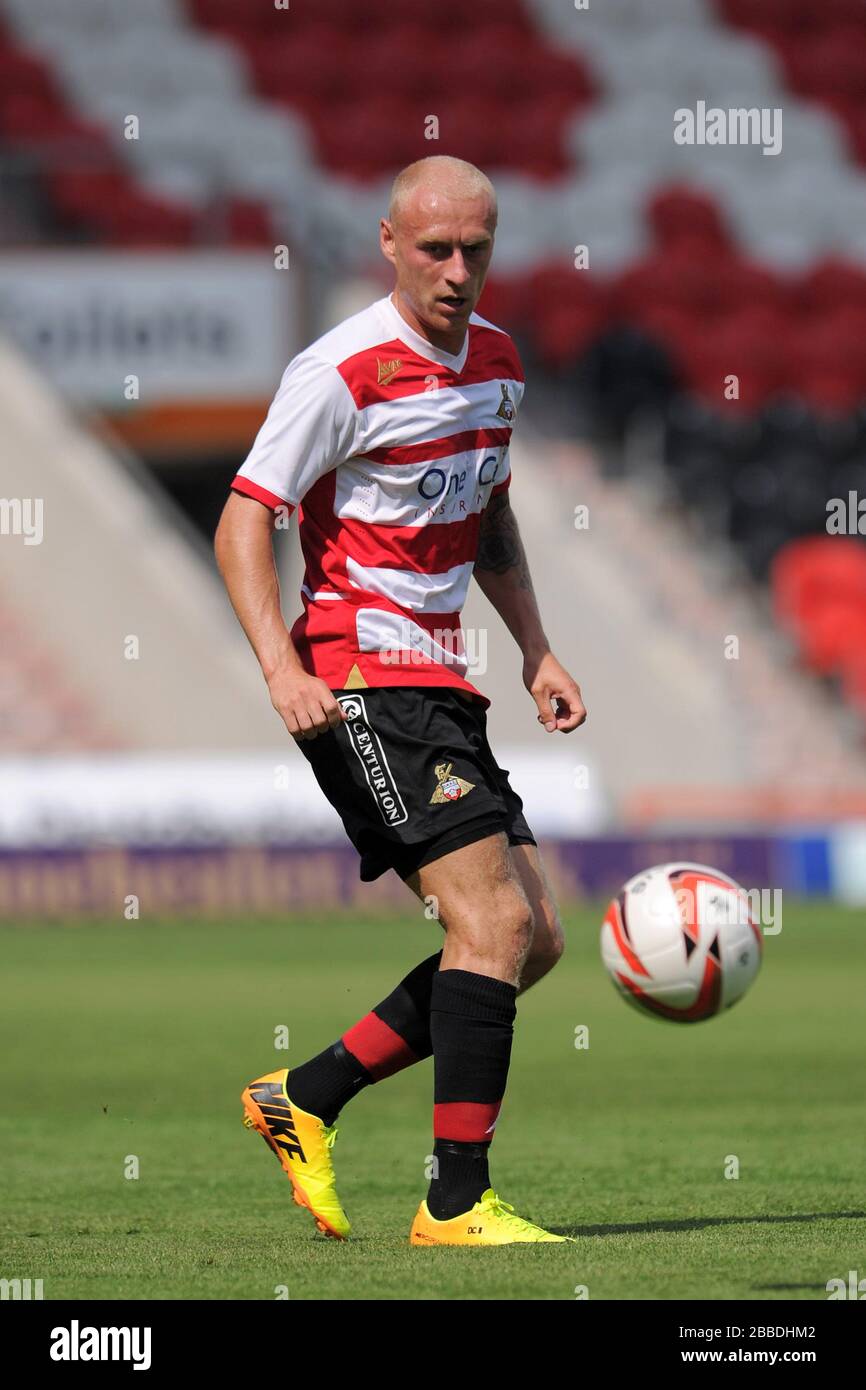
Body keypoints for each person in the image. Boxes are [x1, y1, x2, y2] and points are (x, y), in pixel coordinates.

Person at [215, 155, 586, 1246]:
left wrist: (536, 650)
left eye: (476, 248)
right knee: (495, 921)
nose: (457, 270)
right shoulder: (338, 371)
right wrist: (281, 667)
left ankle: (306, 1097)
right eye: (435, 249)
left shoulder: (499, 367)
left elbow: (488, 515)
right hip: (360, 674)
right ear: (387, 243)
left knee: (536, 939)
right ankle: (455, 1202)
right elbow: (246, 516)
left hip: (444, 681)